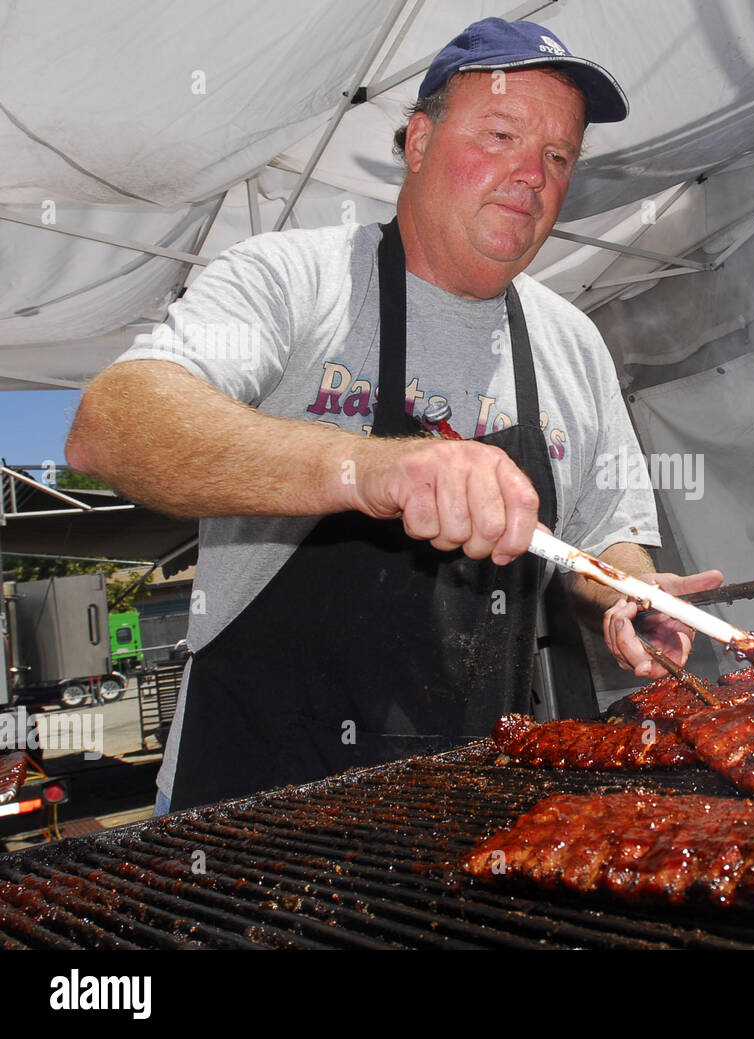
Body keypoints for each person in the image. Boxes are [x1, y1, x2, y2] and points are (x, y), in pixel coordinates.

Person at [65, 18, 720, 812]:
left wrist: (631, 596)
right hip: (251, 809)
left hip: (459, 815)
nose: (531, 177)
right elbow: (112, 424)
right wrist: (371, 467)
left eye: (558, 157)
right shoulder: (299, 279)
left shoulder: (571, 344)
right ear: (417, 141)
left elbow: (605, 535)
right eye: (501, 135)